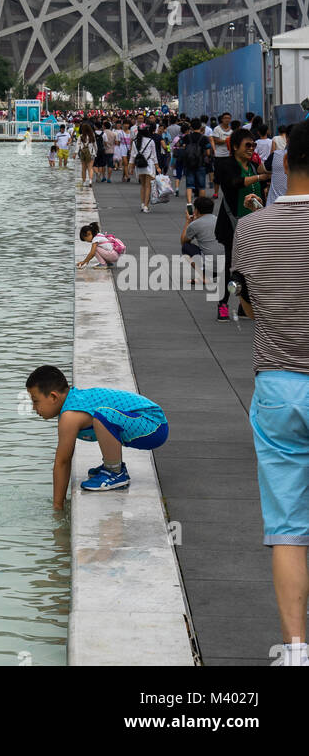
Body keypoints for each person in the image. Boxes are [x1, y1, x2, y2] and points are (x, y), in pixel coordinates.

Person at [230, 120, 309, 667]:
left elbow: (246, 305)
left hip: (278, 385)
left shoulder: (252, 228)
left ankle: (297, 649)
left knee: (287, 527)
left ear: (284, 163)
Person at [25, 365, 169, 503]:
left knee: (102, 415)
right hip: (149, 423)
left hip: (154, 425)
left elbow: (62, 461)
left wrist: (57, 506)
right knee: (102, 415)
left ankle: (115, 472)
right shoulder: (72, 403)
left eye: (35, 401)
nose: (33, 408)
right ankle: (112, 467)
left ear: (53, 397)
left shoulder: (69, 415)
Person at [214, 128, 271, 321]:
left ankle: (242, 305)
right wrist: (260, 177)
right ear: (235, 146)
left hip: (252, 226)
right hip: (232, 224)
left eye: (254, 145)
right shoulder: (225, 164)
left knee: (251, 266)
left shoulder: (253, 164)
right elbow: (233, 183)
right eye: (248, 145)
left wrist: (263, 178)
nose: (251, 148)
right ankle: (222, 304)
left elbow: (262, 184)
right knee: (231, 265)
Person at [180, 194, 222, 289]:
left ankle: (204, 277)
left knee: (186, 247)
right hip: (226, 265)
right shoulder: (219, 220)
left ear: (196, 210)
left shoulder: (195, 224)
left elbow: (183, 241)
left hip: (211, 267)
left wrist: (188, 221)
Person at [178, 118, 212, 204]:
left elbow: (179, 144)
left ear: (191, 127)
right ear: (200, 127)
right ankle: (201, 205)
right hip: (201, 164)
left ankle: (189, 203)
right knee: (201, 186)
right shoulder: (204, 138)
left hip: (189, 163)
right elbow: (208, 152)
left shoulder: (187, 137)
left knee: (189, 185)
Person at [129, 123, 159, 212]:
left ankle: (142, 204)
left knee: (142, 185)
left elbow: (132, 155)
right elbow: (154, 156)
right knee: (148, 186)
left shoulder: (135, 141)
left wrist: (130, 167)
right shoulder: (151, 141)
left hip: (139, 165)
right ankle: (146, 206)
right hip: (149, 165)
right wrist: (157, 167)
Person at [211, 111, 232, 199]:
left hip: (229, 156)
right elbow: (216, 141)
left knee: (228, 176)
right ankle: (216, 193)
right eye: (225, 118)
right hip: (219, 156)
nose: (227, 120)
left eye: (228, 118)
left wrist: (225, 140)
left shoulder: (232, 130)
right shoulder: (217, 129)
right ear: (222, 119)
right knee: (217, 176)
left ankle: (228, 192)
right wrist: (228, 140)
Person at [78, 122, 96, 187]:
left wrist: (75, 153)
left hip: (83, 153)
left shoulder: (80, 136)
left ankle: (84, 181)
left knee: (83, 168)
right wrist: (96, 152)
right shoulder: (92, 136)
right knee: (90, 168)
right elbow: (95, 145)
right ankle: (90, 181)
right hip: (91, 153)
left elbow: (78, 146)